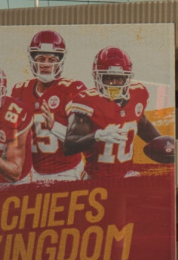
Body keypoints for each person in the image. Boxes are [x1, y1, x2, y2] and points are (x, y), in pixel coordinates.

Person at [65, 46, 164, 180]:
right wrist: (97, 136)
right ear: (97, 77)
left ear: (127, 78)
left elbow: (142, 124)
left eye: (119, 78)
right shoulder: (89, 102)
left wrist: (165, 145)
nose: (114, 83)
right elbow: (69, 146)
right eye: (108, 78)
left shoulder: (137, 95)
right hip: (95, 178)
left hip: (126, 176)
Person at [9, 30, 86, 182]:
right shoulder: (20, 90)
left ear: (60, 62)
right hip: (33, 173)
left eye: (51, 59)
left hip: (68, 172)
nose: (45, 64)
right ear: (32, 60)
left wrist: (54, 126)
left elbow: (80, 139)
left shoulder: (71, 89)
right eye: (41, 59)